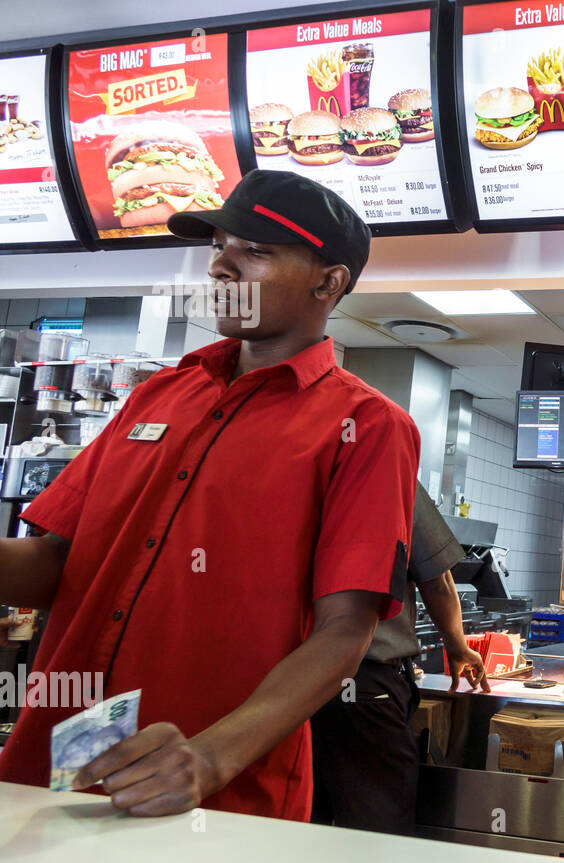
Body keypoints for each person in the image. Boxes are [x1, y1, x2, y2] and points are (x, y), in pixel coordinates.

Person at [0, 169, 421, 820]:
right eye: (219, 245)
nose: (221, 266)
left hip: (216, 800)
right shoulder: (157, 396)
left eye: (255, 250)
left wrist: (208, 758)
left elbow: (346, 631)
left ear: (328, 281)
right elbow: (53, 565)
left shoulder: (367, 427)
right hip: (51, 774)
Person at [310, 481, 488, 835]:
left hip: (291, 685)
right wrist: (456, 644)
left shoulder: (291, 461)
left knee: (306, 823)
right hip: (365, 687)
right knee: (378, 831)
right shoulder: (387, 468)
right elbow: (437, 579)